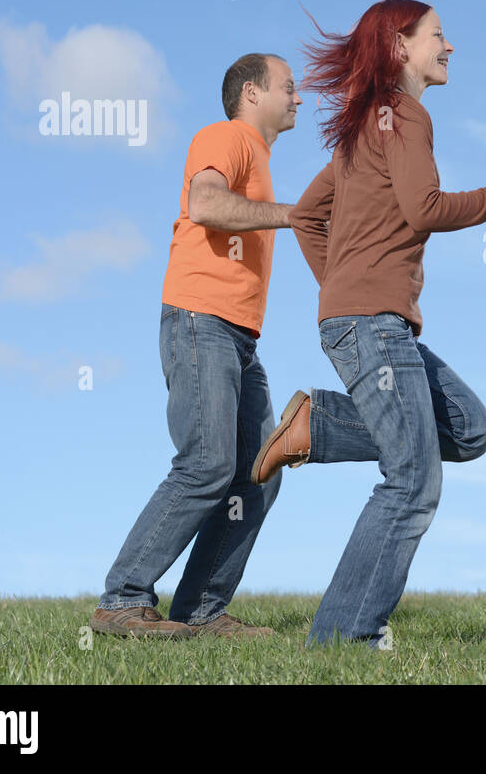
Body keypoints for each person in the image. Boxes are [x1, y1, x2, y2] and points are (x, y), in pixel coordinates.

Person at [250, 0, 486, 649]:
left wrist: (339, 286)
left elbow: (304, 216)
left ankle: (320, 424)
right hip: (371, 325)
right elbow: (423, 209)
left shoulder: (365, 127)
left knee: (469, 429)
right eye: (439, 35)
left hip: (364, 320)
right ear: (400, 46)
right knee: (412, 480)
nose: (450, 46)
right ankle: (342, 638)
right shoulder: (404, 115)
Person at [89, 53, 302, 638]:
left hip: (238, 336)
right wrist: (294, 216)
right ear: (252, 93)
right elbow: (204, 204)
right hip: (200, 320)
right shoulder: (225, 136)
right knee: (207, 463)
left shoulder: (257, 157)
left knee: (259, 470)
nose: (299, 97)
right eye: (289, 86)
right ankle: (122, 600)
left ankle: (202, 610)